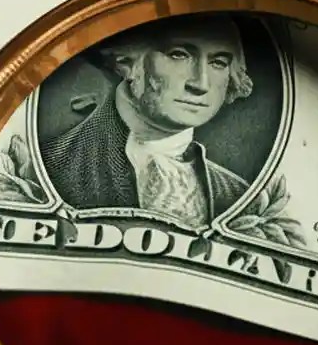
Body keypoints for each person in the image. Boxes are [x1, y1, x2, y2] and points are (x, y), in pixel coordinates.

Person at [40, 14, 256, 231]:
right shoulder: (51, 165)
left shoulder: (237, 195)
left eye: (218, 63)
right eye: (179, 55)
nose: (200, 84)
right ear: (128, 61)